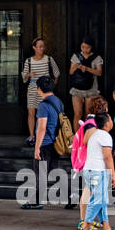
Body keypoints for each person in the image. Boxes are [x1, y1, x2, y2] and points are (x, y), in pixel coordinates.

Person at [23, 76, 68, 209]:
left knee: (41, 174)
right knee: (56, 172)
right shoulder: (58, 102)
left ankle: (37, 201)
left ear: (39, 89)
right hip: (56, 142)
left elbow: (41, 128)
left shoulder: (43, 105)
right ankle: (71, 197)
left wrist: (37, 147)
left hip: (46, 143)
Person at [80, 111, 115, 230]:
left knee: (102, 200)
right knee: (98, 200)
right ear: (107, 123)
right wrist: (113, 175)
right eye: (110, 119)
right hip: (97, 172)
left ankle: (106, 227)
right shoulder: (105, 136)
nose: (112, 121)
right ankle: (86, 226)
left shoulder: (95, 134)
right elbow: (107, 157)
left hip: (90, 171)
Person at [22, 37, 61, 144]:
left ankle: (43, 135)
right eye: (39, 47)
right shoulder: (29, 61)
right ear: (34, 48)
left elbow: (57, 74)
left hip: (44, 90)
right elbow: (24, 78)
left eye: (43, 46)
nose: (42, 49)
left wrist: (51, 86)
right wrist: (28, 74)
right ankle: (32, 136)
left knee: (43, 112)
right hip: (33, 89)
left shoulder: (49, 59)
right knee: (31, 112)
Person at [68, 37, 104, 125]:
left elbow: (99, 72)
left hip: (91, 89)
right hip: (77, 88)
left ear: (91, 47)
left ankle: (87, 135)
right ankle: (77, 137)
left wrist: (87, 69)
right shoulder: (76, 56)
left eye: (87, 47)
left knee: (88, 114)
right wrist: (76, 66)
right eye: (83, 47)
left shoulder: (96, 57)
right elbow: (71, 72)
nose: (84, 49)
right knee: (78, 114)